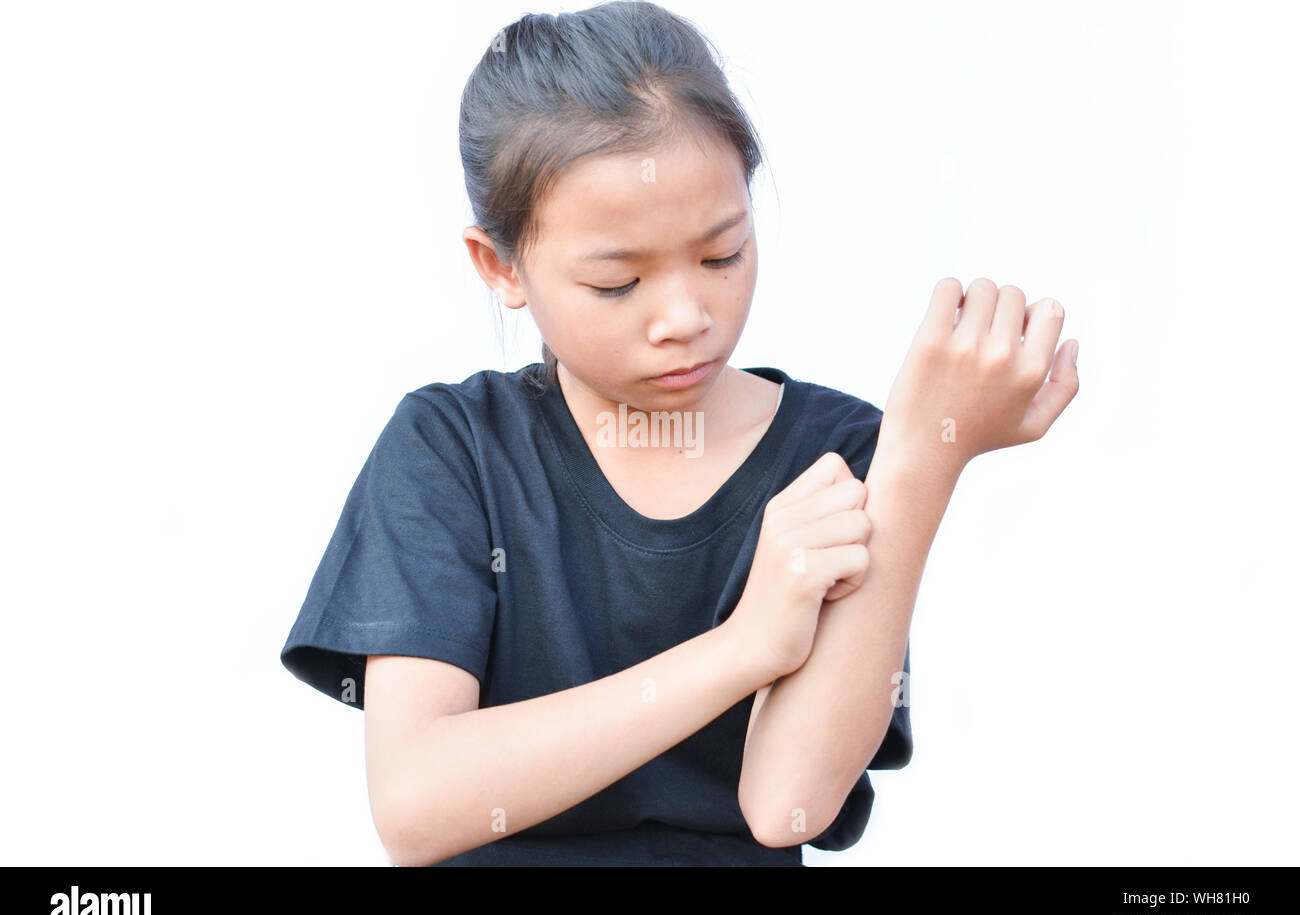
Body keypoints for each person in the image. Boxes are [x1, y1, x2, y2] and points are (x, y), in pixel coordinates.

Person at [279, 1, 1079, 867]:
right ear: (501, 265)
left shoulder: (836, 454)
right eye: (619, 282)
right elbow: (416, 806)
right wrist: (743, 648)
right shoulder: (451, 450)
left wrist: (926, 453)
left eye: (721, 255)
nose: (686, 316)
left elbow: (788, 805)